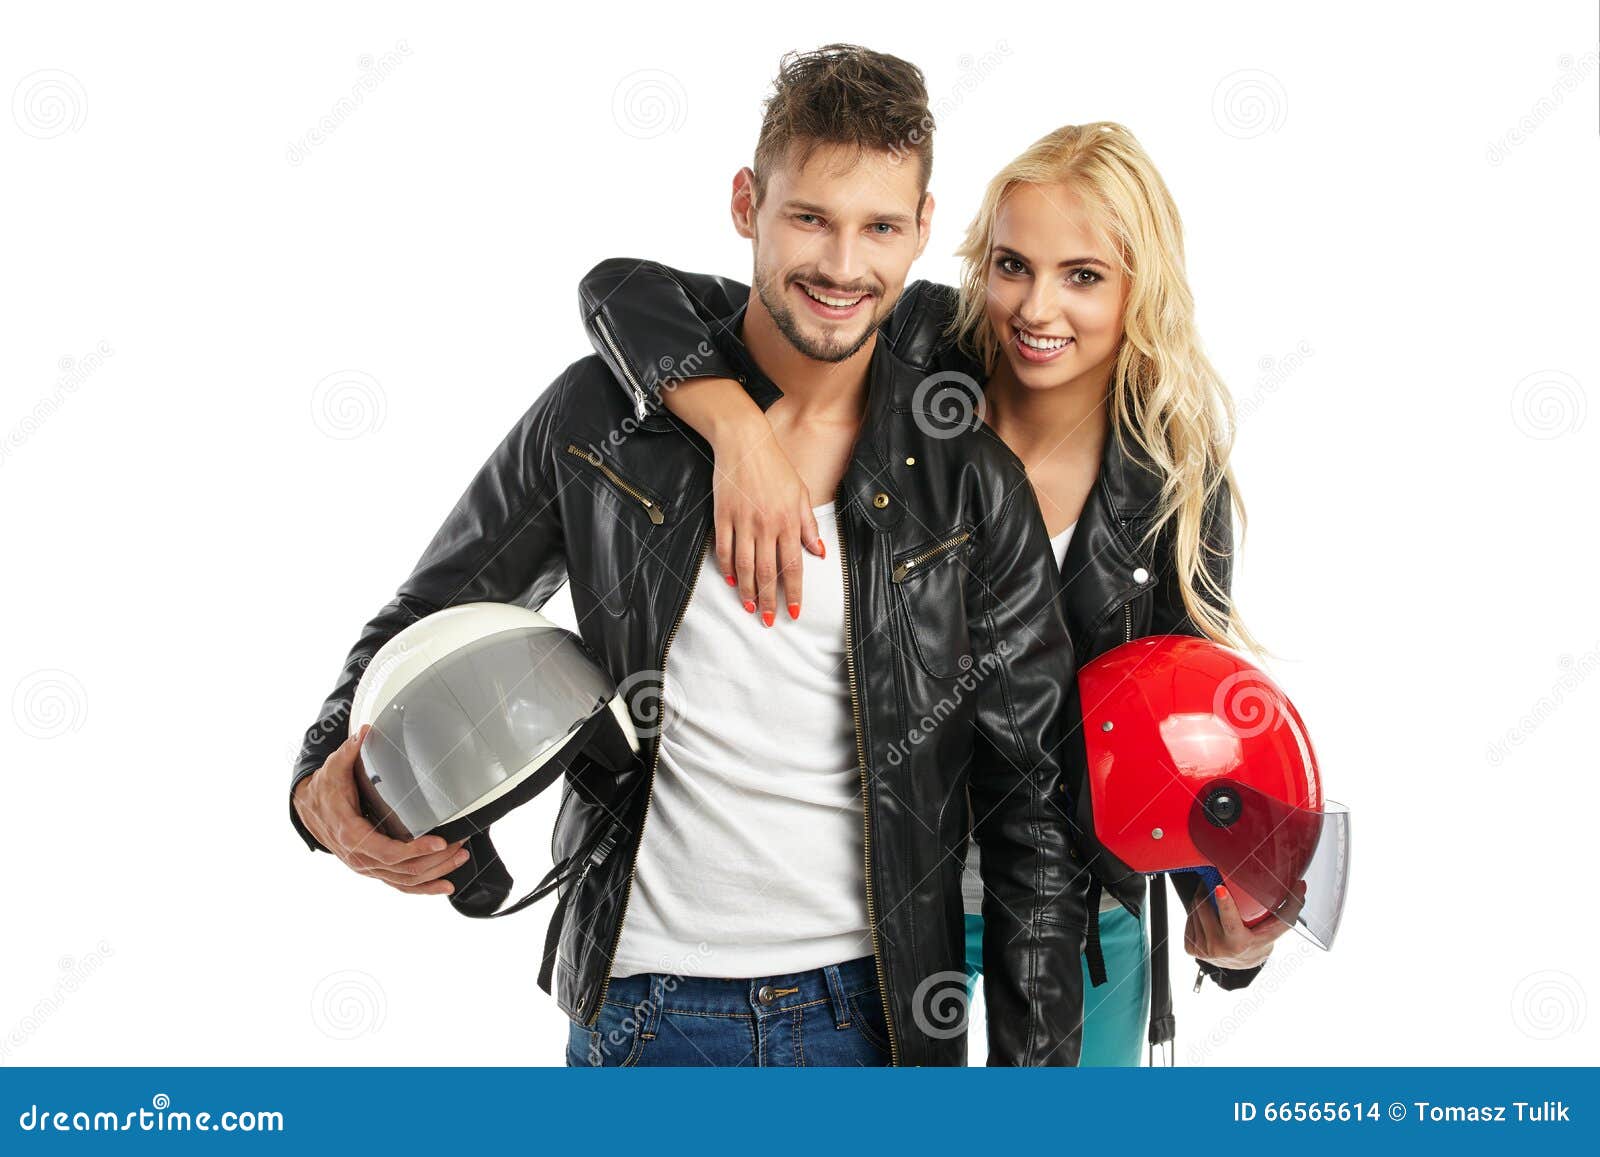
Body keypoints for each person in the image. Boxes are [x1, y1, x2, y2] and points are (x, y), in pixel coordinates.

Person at [290, 44, 1090, 1067]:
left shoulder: (967, 477)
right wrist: (319, 778)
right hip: (640, 1012)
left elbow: (1031, 813)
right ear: (746, 203)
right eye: (810, 218)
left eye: (881, 227)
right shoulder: (598, 418)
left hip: (875, 1018)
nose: (843, 266)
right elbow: (426, 619)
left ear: (924, 229)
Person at [575, 121, 1295, 1065]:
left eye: (1082, 276)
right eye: (1012, 265)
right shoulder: (911, 343)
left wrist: (1228, 912)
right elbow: (626, 294)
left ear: (1139, 290)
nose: (1036, 306)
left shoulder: (1171, 488)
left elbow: (1179, 730)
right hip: (880, 910)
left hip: (1076, 911)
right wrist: (736, 431)